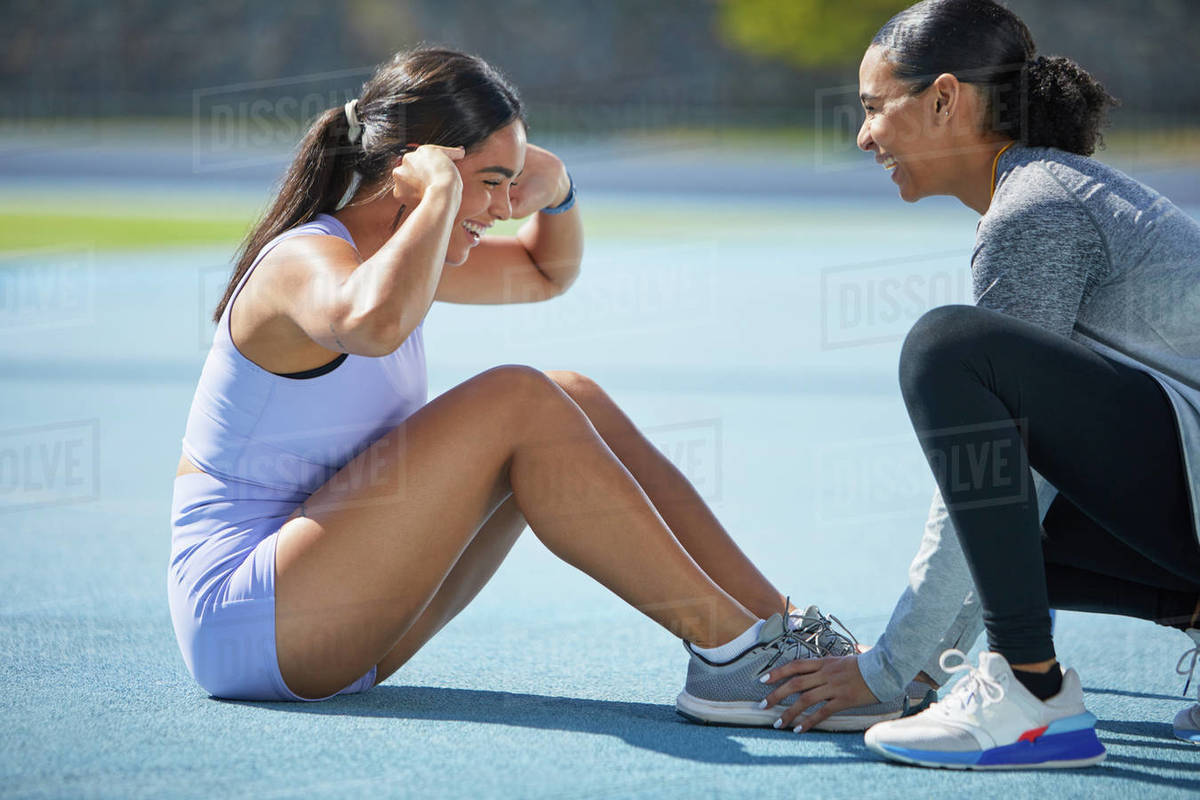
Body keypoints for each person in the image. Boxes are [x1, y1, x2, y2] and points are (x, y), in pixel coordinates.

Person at [167, 47, 910, 730]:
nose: (499, 210)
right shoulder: (301, 262)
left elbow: (544, 272)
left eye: (507, 186)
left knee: (568, 393)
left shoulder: (399, 259)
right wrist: (433, 202)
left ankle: (779, 635)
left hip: (330, 616)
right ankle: (733, 655)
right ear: (413, 168)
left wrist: (556, 192)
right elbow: (372, 323)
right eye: (489, 185)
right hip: (250, 618)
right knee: (518, 399)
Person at [755, 0, 1200, 768]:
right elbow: (1005, 497)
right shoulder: (1053, 190)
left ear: (944, 99)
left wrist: (887, 671)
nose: (863, 136)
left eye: (872, 109)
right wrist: (925, 665)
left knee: (947, 349)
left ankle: (1032, 696)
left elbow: (1005, 471)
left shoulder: (1035, 209)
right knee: (1002, 519)